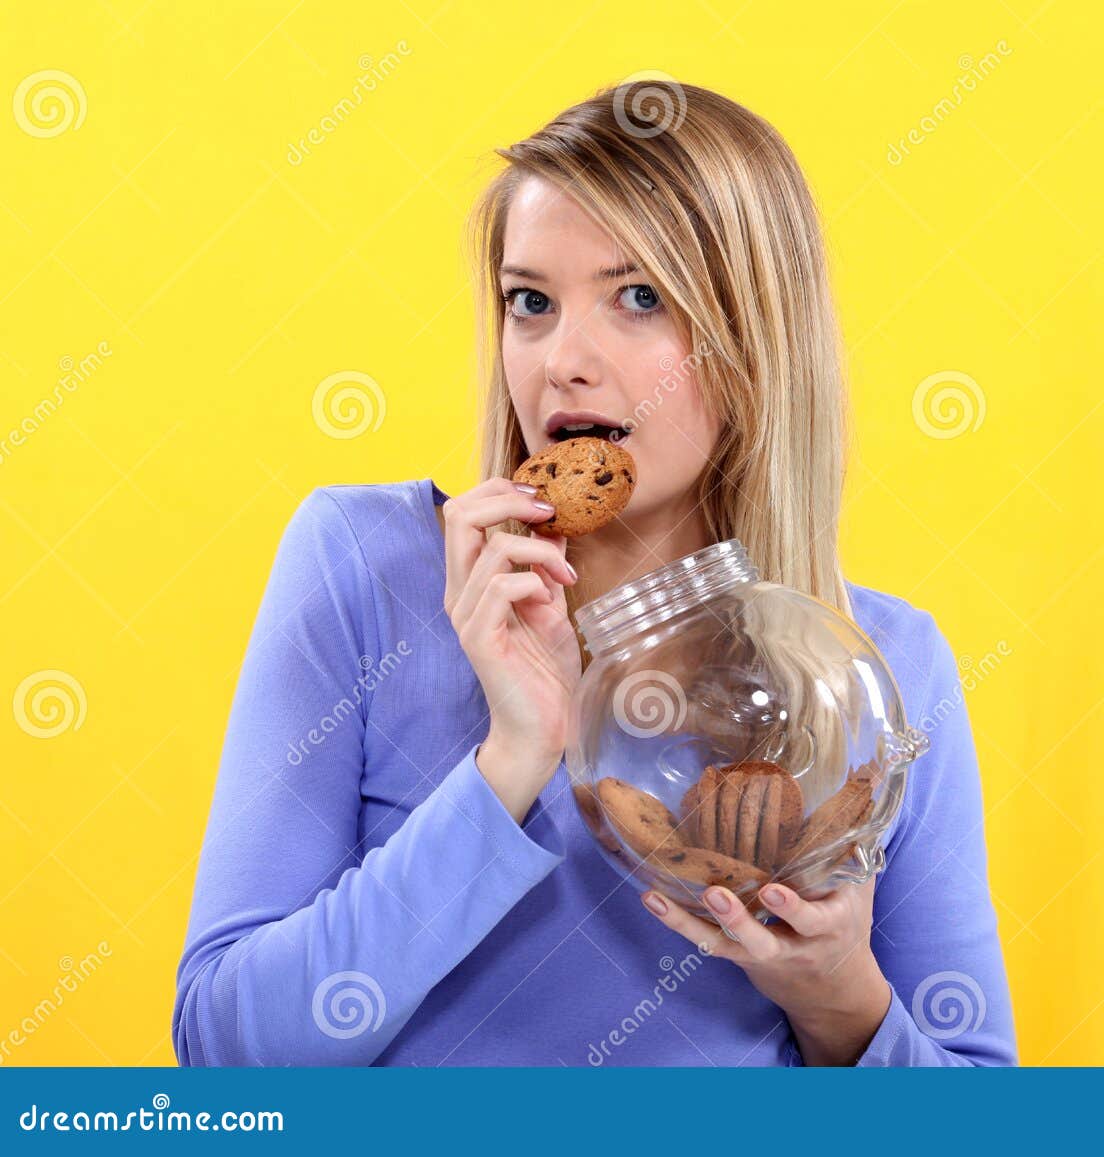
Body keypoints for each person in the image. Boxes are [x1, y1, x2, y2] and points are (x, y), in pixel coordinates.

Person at [171, 81, 1015, 1066]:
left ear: (755, 339)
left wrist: (839, 1002)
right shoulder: (364, 563)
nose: (561, 360)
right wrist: (513, 759)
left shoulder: (883, 663)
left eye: (639, 297)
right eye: (530, 301)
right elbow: (229, 1050)